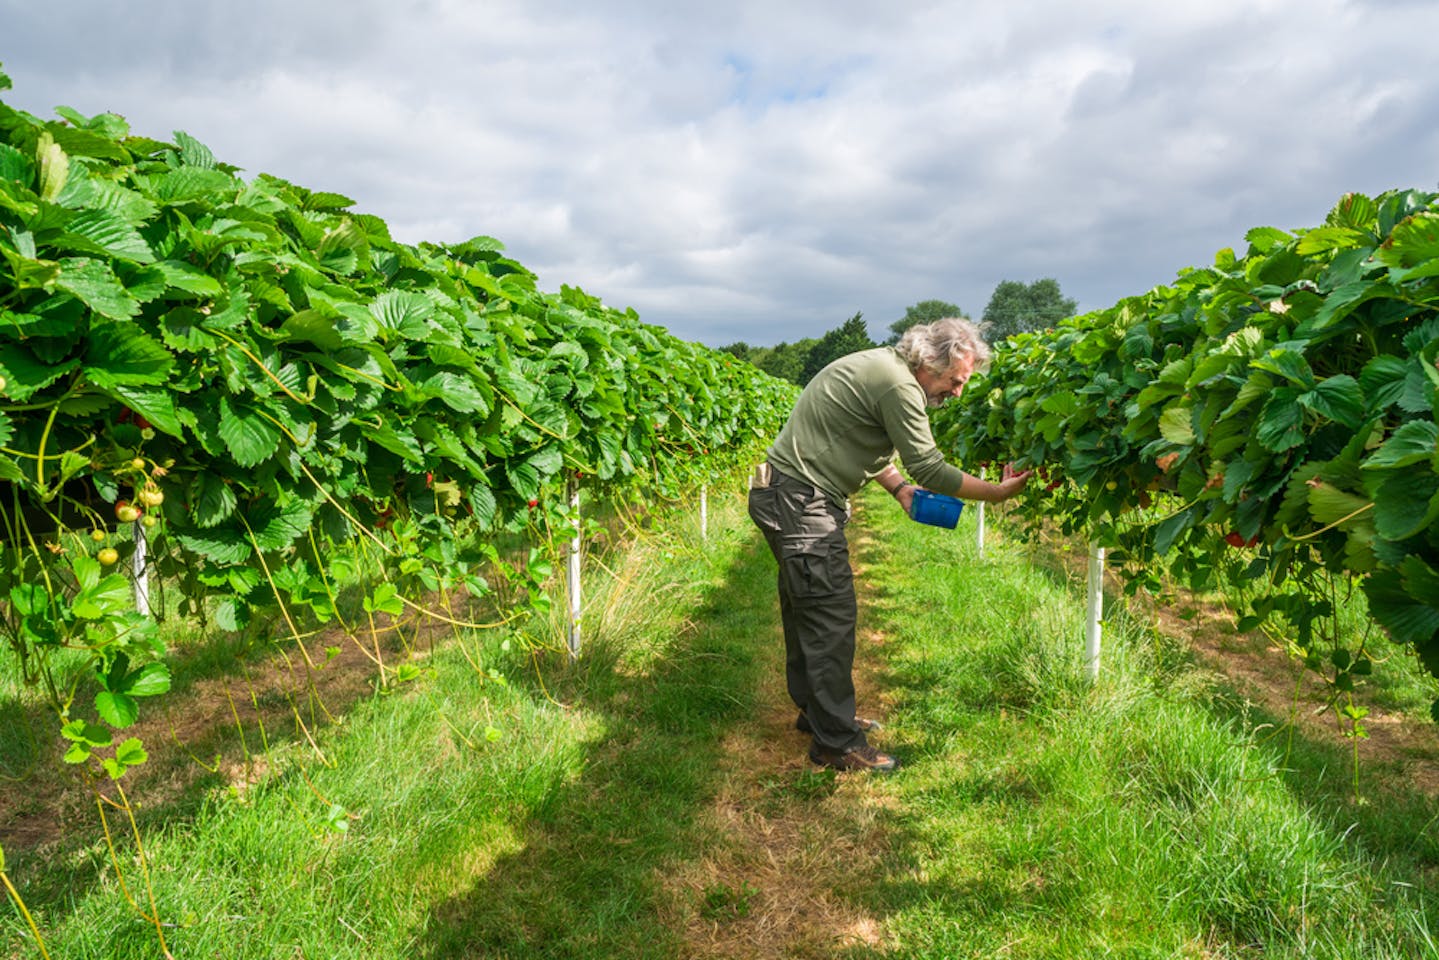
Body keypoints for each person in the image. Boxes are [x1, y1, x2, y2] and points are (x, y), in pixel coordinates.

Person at [747, 317, 1031, 772]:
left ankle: (819, 715)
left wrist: (898, 489)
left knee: (808, 611)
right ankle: (836, 744)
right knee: (829, 617)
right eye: (955, 381)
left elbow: (864, 444)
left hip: (786, 495)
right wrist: (996, 494)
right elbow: (931, 467)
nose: (957, 392)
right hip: (800, 502)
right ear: (929, 361)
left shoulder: (884, 369)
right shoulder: (899, 386)